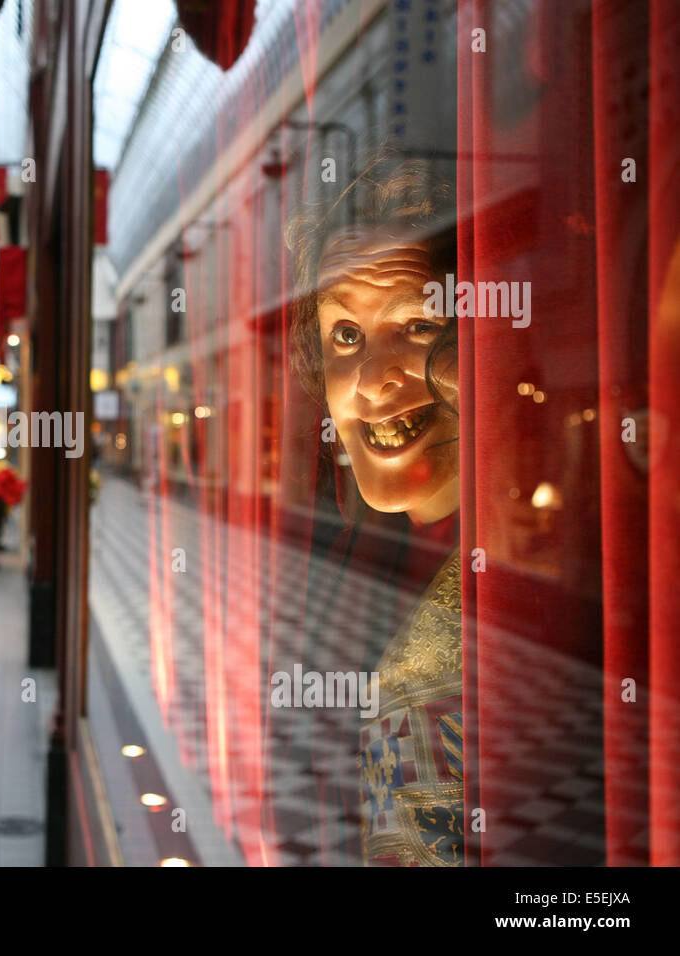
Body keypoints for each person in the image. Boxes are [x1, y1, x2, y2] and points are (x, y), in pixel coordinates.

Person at [287, 146, 462, 866]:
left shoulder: (549, 561)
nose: (371, 381)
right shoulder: (357, 556)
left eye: (417, 326)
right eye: (346, 336)